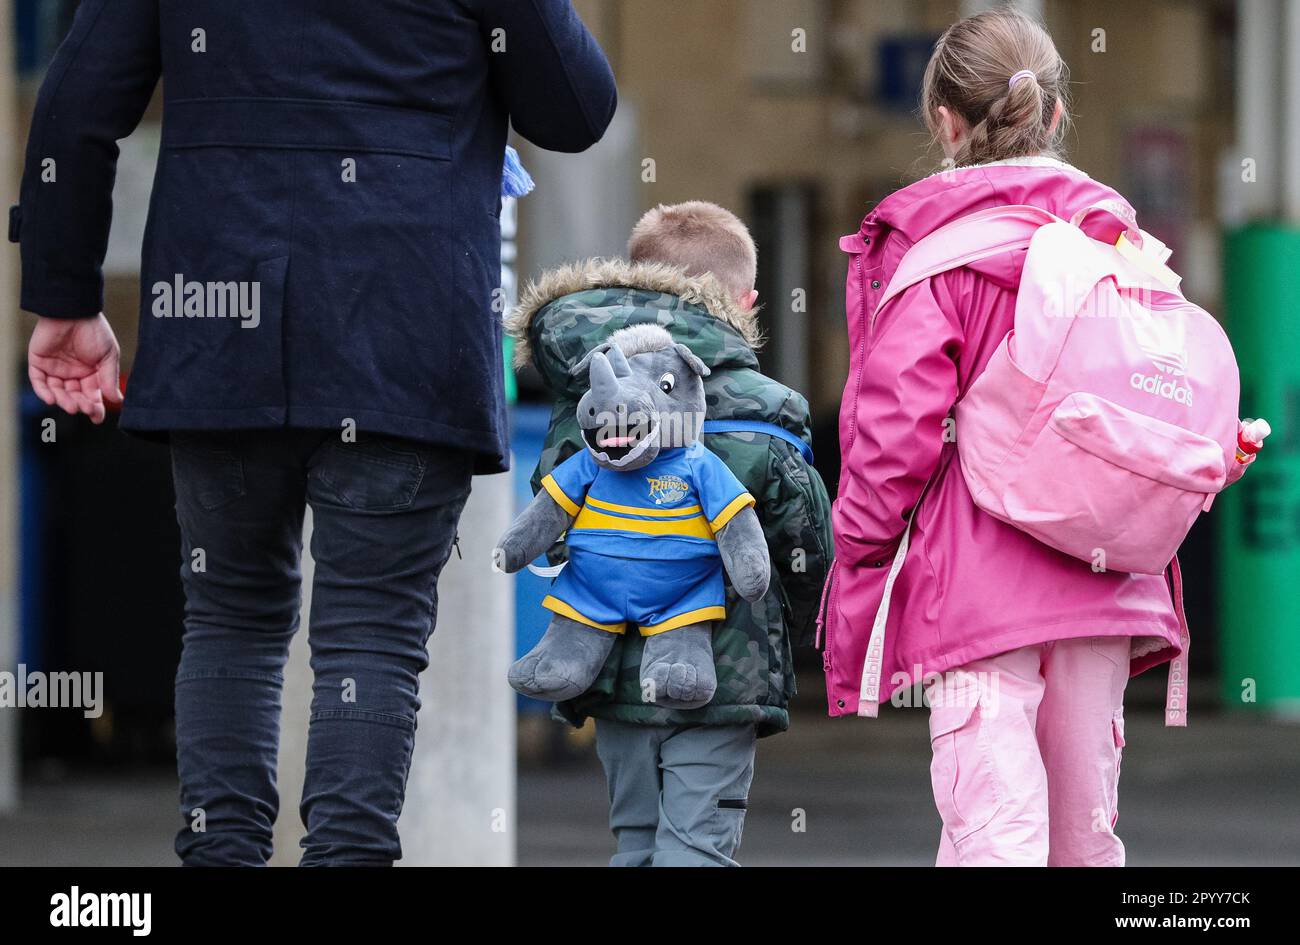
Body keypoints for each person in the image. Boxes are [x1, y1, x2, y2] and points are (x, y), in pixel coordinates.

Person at [13, 0, 616, 866]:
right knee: (372, 630)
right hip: (406, 332)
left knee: (228, 617)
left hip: (220, 326)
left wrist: (65, 296)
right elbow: (574, 108)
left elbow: (76, 105)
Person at [822, 8, 1183, 866]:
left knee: (995, 834)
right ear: (1055, 116)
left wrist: (858, 559)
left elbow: (891, 436)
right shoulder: (1123, 251)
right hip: (1102, 583)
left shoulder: (934, 261)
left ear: (944, 124)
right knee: (1085, 837)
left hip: (979, 595)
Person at [506, 201, 833, 865]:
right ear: (747, 302)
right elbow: (805, 550)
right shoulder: (769, 412)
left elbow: (558, 525)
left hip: (612, 667)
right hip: (724, 670)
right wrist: (789, 631)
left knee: (634, 841)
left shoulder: (585, 401)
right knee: (697, 845)